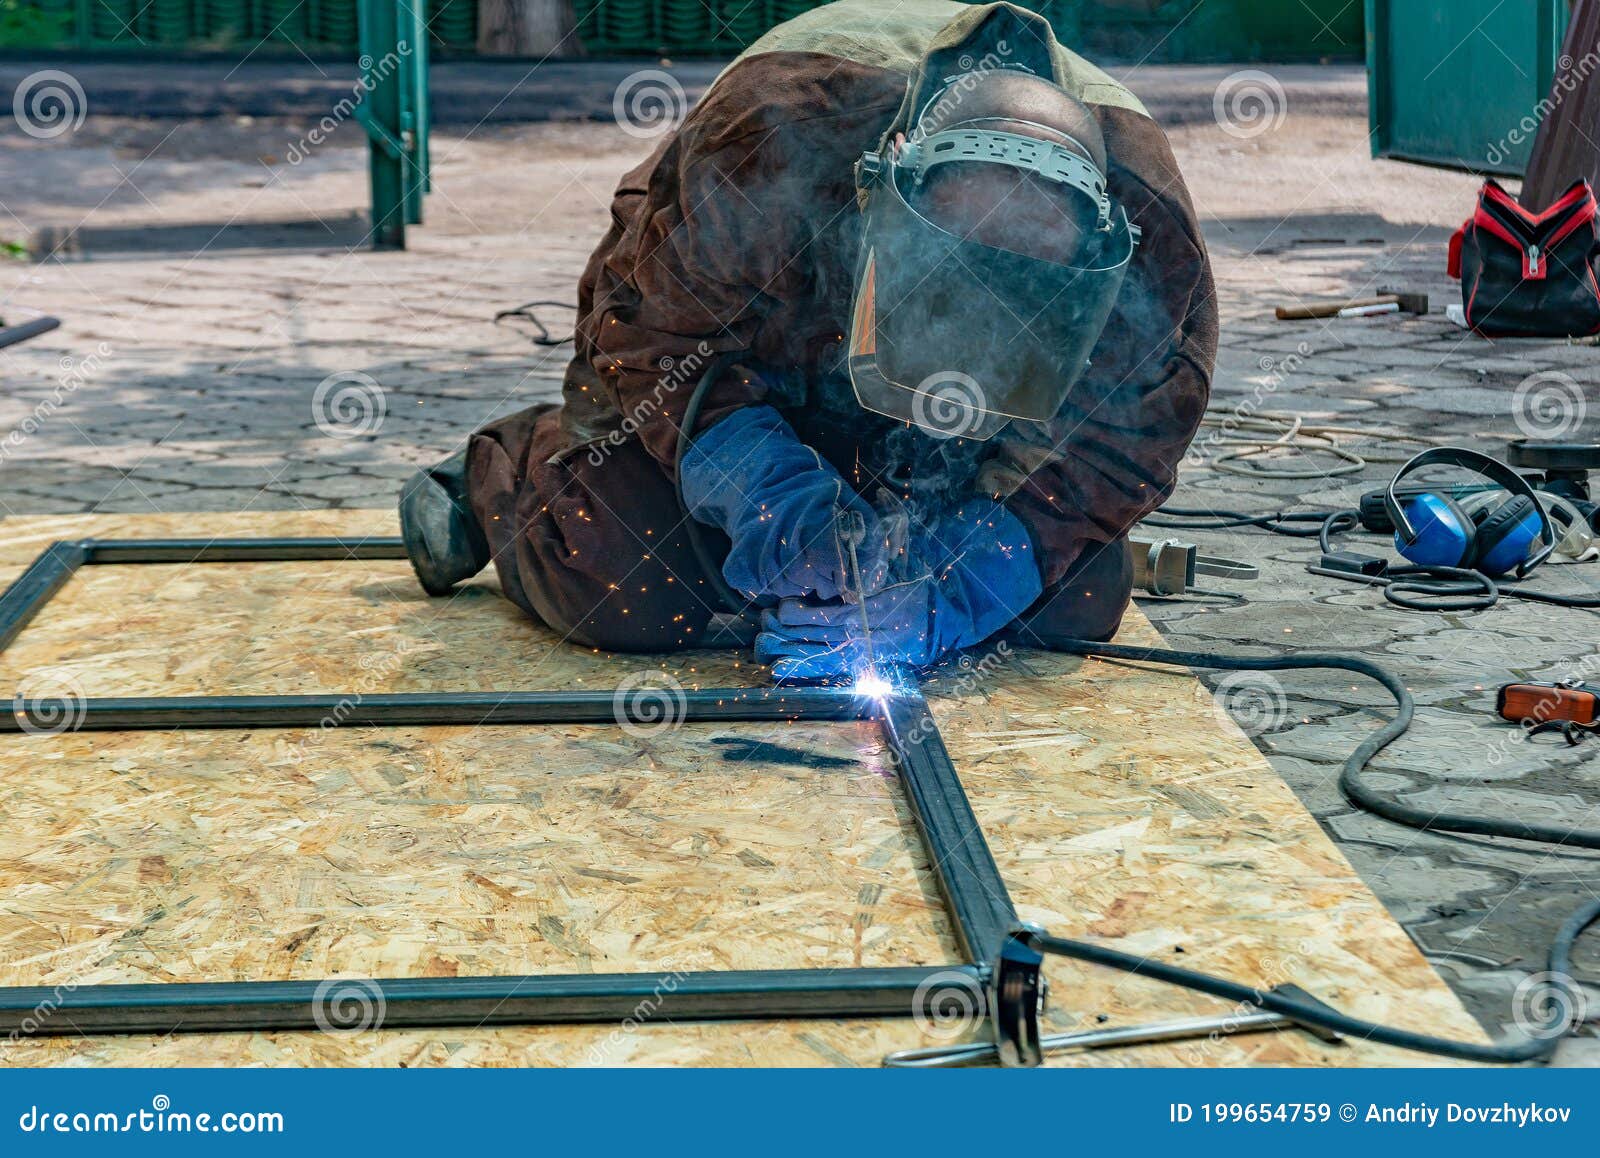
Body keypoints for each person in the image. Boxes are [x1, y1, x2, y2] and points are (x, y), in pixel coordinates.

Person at [399, 0, 1215, 682]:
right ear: (883, 201)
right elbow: (648, 345)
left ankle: (851, 559)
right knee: (626, 581)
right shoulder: (767, 140)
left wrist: (951, 588)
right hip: (771, 372)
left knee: (1081, 598)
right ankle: (508, 469)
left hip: (993, 437)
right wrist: (779, 501)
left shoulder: (1153, 245)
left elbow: (1113, 456)